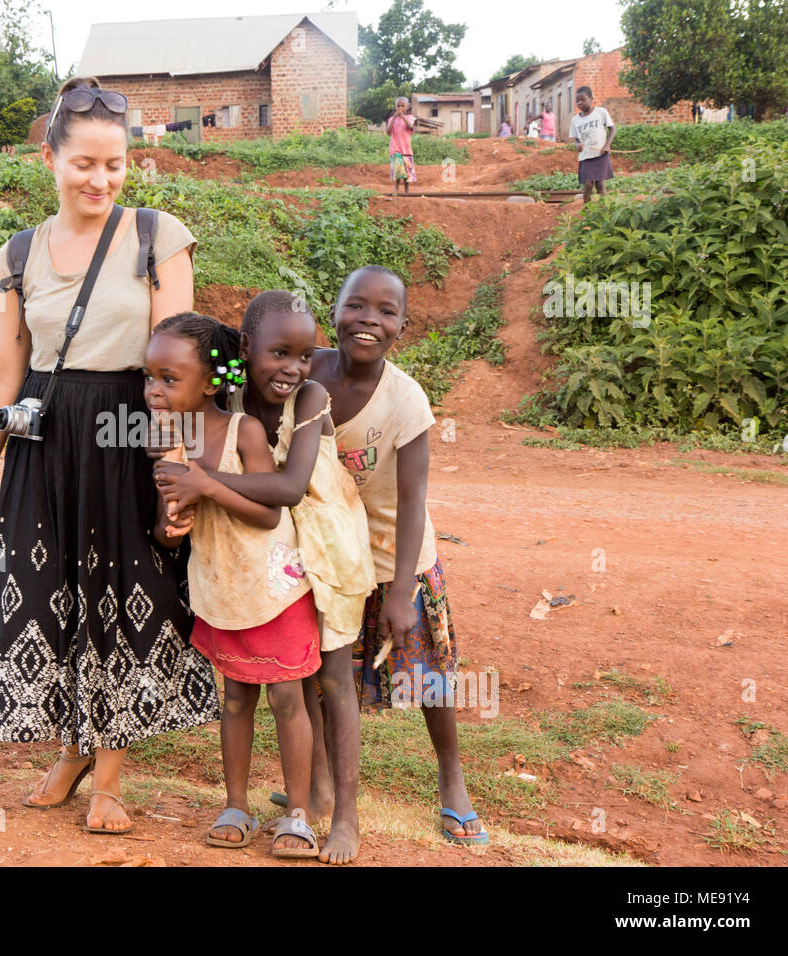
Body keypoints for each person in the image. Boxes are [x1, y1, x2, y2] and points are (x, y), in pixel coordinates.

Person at [0, 77, 221, 835]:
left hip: (126, 433)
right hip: (44, 441)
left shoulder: (156, 236)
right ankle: (72, 748)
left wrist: (175, 478)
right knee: (50, 595)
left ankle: (110, 776)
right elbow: (5, 371)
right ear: (48, 156)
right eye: (84, 163)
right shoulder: (21, 252)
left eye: (114, 165)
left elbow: (179, 369)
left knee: (120, 592)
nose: (101, 180)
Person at [154, 291, 373, 864]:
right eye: (279, 353)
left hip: (318, 547)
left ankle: (337, 816)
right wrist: (183, 503)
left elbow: (288, 490)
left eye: (304, 354)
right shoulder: (215, 405)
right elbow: (180, 499)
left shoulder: (309, 395)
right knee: (250, 693)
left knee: (328, 682)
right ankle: (266, 803)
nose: (293, 367)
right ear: (246, 348)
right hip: (242, 573)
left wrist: (202, 484)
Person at [309, 266, 488, 845]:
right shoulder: (304, 372)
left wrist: (403, 591)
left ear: (402, 327)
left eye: (385, 312)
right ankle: (321, 787)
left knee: (428, 677)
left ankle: (452, 779)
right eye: (356, 305)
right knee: (323, 677)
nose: (369, 320)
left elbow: (414, 500)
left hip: (395, 558)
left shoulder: (405, 399)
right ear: (331, 311)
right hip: (329, 555)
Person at [569, 86, 615, 202]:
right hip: (585, 156)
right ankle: (587, 211)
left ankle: (604, 210)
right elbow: (576, 139)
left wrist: (607, 145)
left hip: (600, 154)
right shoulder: (575, 120)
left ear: (591, 98)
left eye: (582, 100)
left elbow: (612, 129)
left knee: (600, 184)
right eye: (577, 101)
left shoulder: (601, 112)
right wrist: (577, 145)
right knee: (588, 185)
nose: (580, 103)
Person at [385, 97, 417, 196]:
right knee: (398, 171)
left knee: (407, 172)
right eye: (398, 106)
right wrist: (394, 117)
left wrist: (402, 117)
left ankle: (407, 190)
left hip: (406, 149)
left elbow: (410, 127)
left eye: (402, 106)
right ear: (395, 107)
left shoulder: (410, 118)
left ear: (407, 107)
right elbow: (388, 131)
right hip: (395, 148)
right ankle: (396, 188)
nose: (400, 108)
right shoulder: (391, 119)